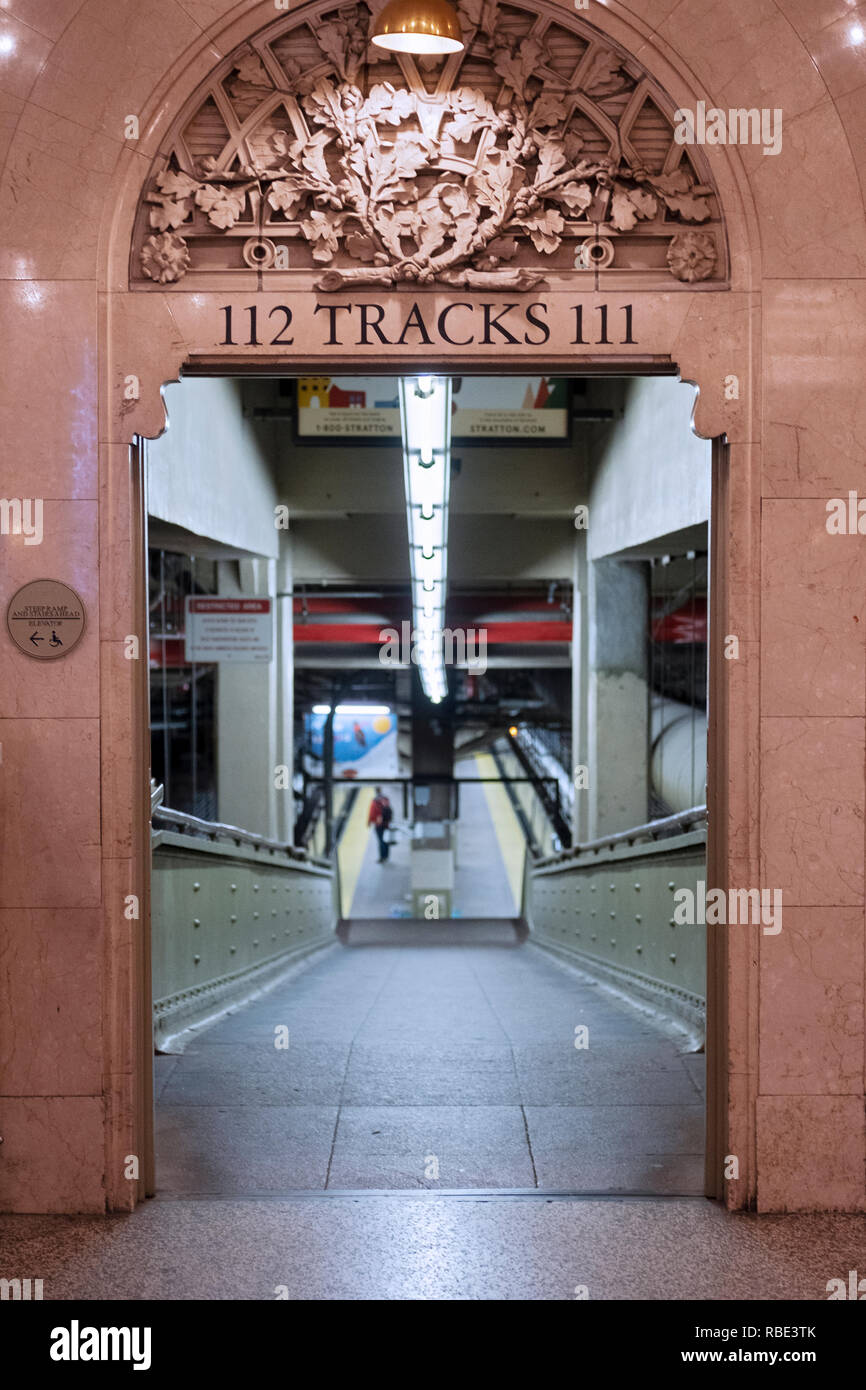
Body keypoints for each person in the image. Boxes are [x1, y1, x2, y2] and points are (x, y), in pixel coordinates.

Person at [368, 786, 393, 863]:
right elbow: (390, 810)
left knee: (381, 841)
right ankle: (386, 856)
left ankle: (382, 857)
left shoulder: (375, 801)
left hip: (379, 824)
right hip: (386, 823)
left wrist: (369, 821)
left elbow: (372, 812)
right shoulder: (385, 799)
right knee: (386, 840)